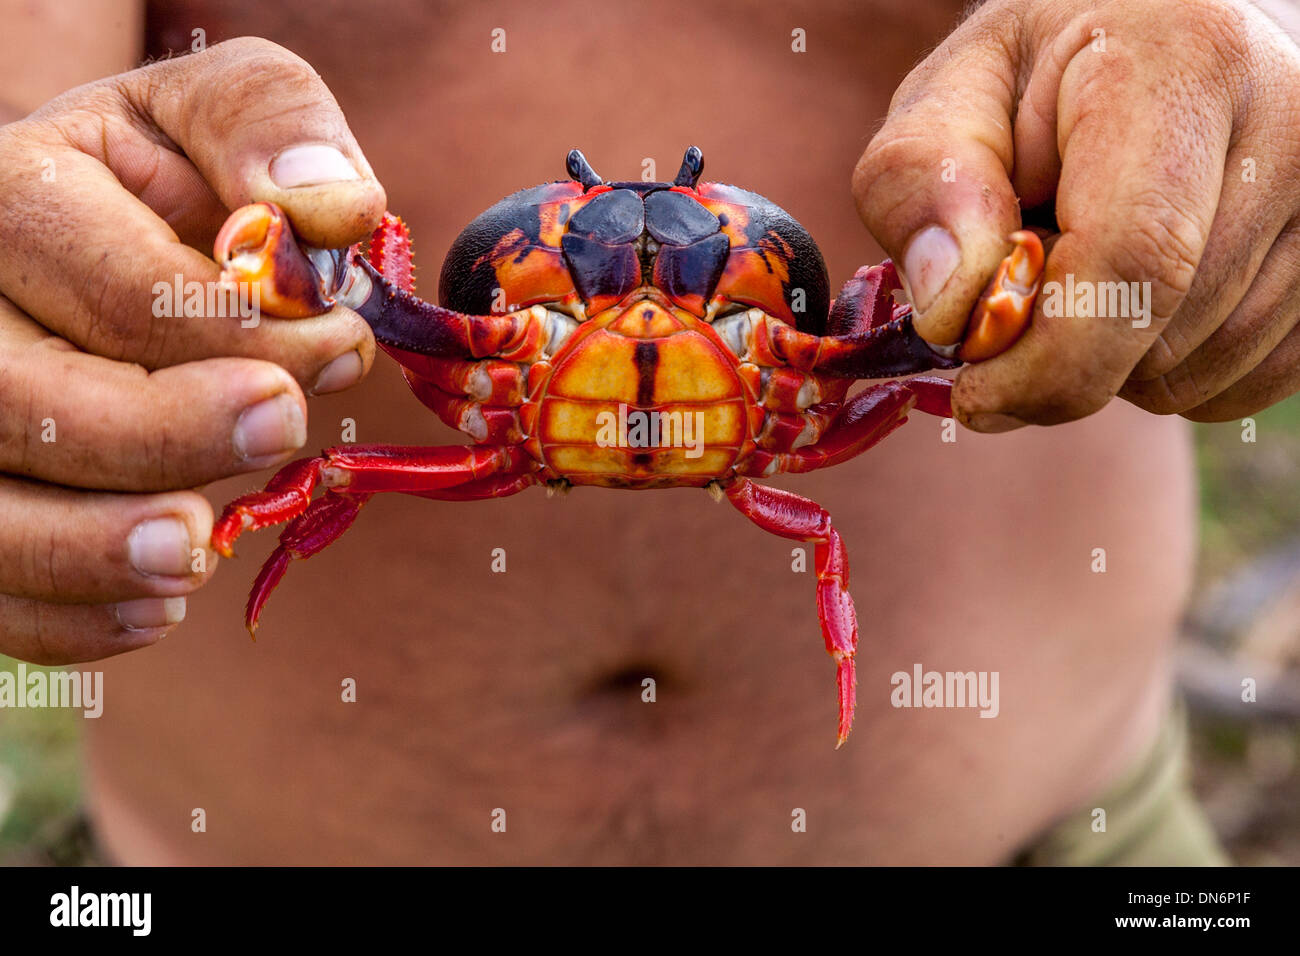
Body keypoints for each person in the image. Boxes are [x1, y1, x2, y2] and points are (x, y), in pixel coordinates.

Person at [2, 0, 1294, 864]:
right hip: (229, 848)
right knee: (329, 462)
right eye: (586, 243)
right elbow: (34, 149)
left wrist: (1251, 66)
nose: (640, 264)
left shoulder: (824, 347)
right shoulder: (451, 352)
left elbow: (1243, 35)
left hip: (1063, 833)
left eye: (691, 244)